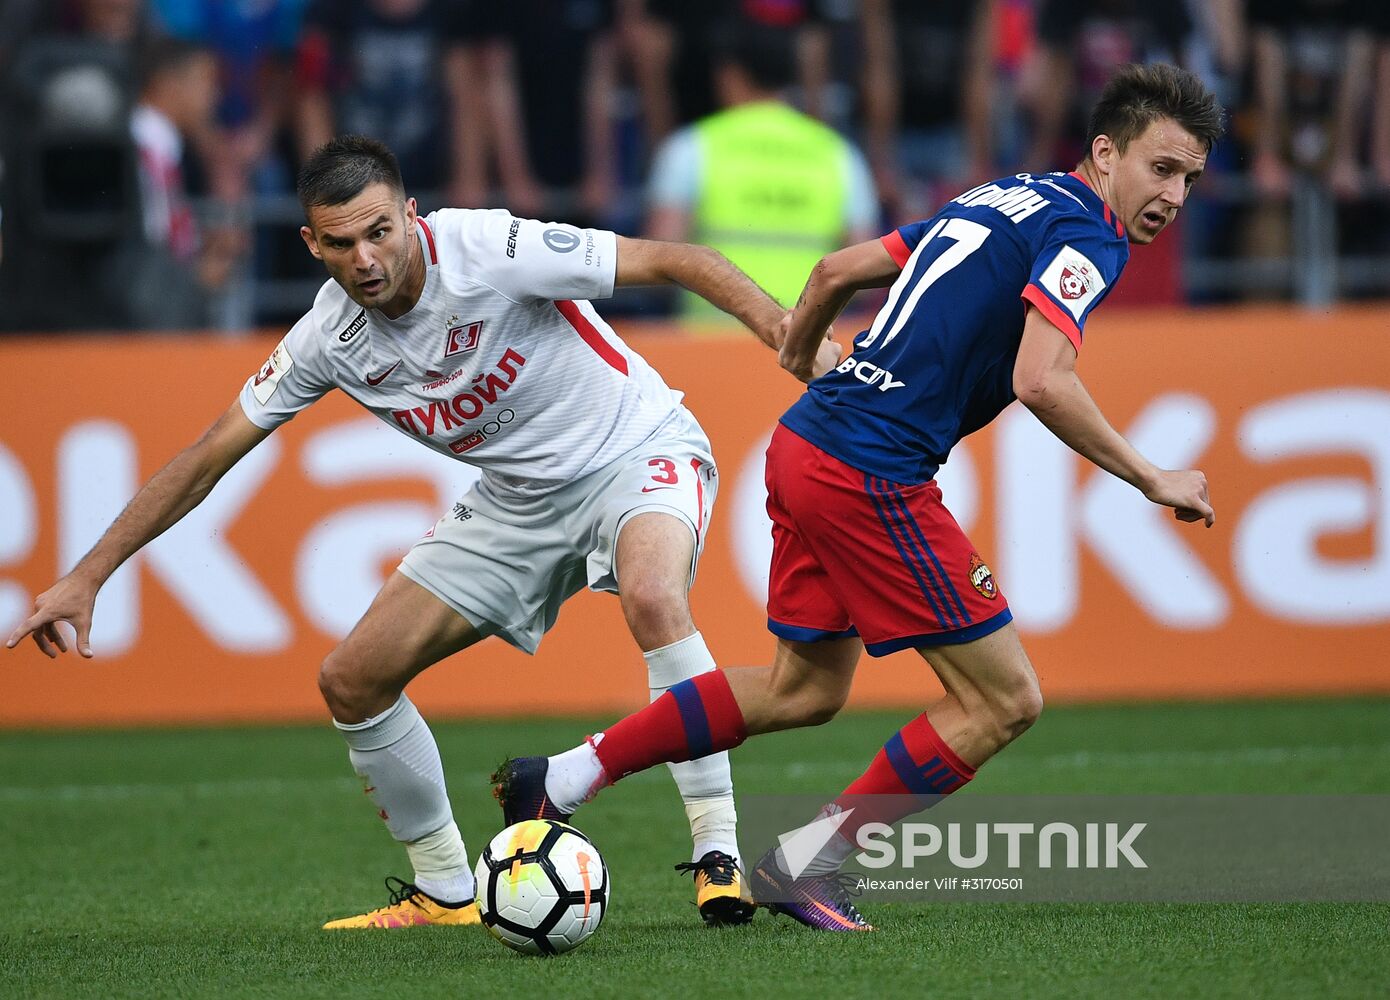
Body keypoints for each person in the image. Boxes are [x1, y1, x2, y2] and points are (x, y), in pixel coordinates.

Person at [5, 135, 836, 929]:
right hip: (516, 501)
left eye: (379, 231)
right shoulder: (327, 339)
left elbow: (676, 259)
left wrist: (781, 329)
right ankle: (444, 887)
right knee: (352, 678)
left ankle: (717, 852)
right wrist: (87, 575)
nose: (366, 258)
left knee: (655, 598)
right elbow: (205, 457)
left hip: (637, 447)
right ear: (310, 244)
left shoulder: (491, 248)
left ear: (411, 213)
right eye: (341, 243)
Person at [494, 62, 1223, 930]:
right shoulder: (1090, 235)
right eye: (1162, 168)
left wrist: (800, 350)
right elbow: (1041, 378)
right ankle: (806, 865)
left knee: (804, 689)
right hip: (870, 470)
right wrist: (1153, 475)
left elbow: (840, 268)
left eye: (1191, 179)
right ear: (1106, 154)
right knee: (1004, 700)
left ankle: (561, 777)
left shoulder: (1004, 196)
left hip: (808, 440)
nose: (1175, 195)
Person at [644, 21, 877, 325]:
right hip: (807, 346)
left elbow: (661, 251)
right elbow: (865, 268)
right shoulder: (837, 154)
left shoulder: (691, 148)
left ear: (730, 75)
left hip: (710, 343)